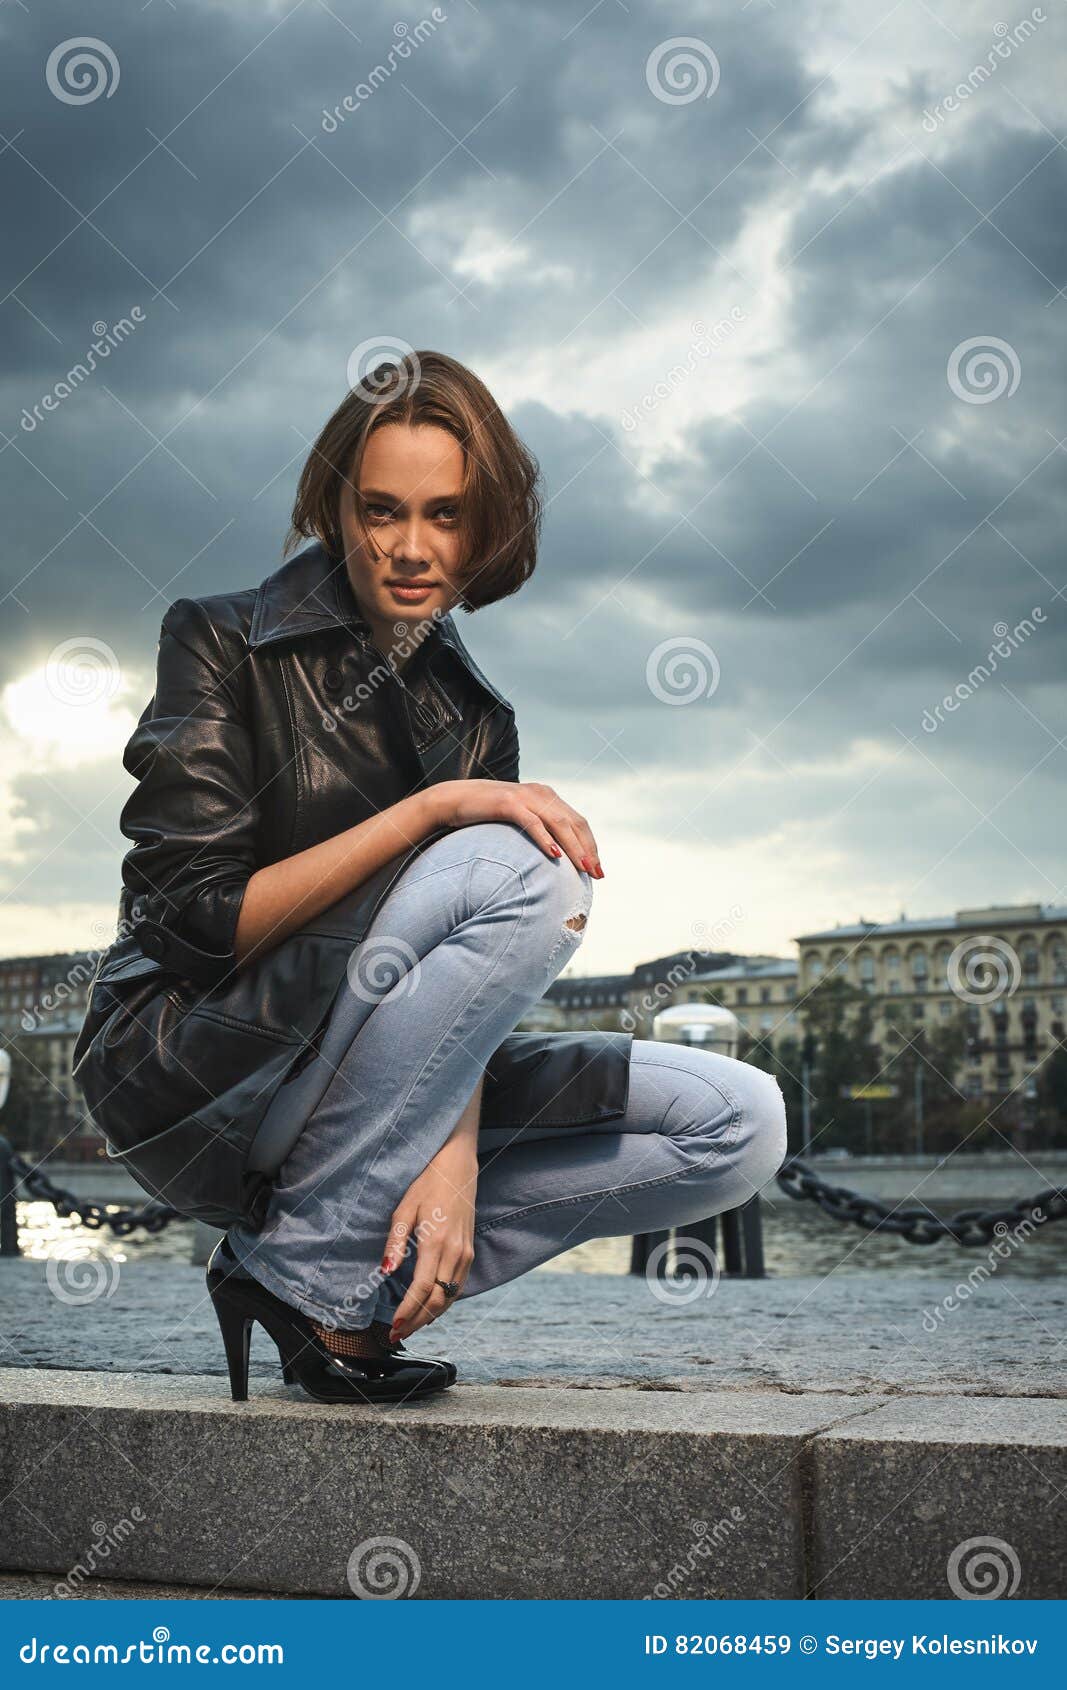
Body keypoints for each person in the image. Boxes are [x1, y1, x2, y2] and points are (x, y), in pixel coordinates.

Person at [74, 350, 787, 1407]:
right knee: (529, 863)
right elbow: (193, 921)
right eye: (381, 511)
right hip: (200, 1065)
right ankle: (315, 1269)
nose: (411, 548)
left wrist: (448, 1166)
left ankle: (341, 1275)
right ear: (333, 509)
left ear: (485, 525)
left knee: (739, 1120)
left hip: (379, 1075)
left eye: (445, 515)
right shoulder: (224, 639)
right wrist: (428, 810)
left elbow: (461, 989)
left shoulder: (475, 713)